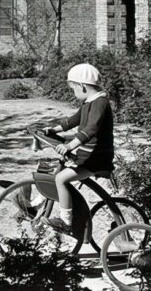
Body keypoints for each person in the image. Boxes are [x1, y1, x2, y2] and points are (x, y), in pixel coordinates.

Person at [41, 63, 114, 234]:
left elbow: (91, 129)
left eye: (73, 88)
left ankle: (66, 223)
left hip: (96, 158)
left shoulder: (100, 103)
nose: (73, 92)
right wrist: (54, 130)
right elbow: (73, 120)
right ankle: (43, 204)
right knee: (56, 171)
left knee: (60, 179)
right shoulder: (89, 102)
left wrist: (69, 146)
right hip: (87, 156)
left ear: (81, 86)